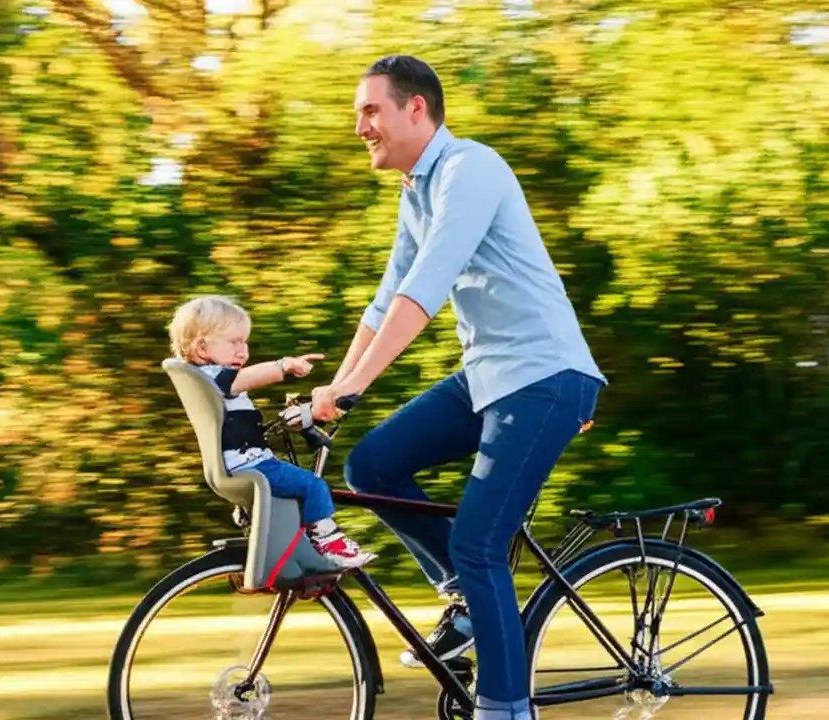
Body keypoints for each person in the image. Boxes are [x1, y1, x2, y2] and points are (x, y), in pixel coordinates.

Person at [309, 55, 606, 720]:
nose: (359, 126)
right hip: (490, 379)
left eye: (370, 111)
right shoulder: (416, 190)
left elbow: (426, 289)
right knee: (374, 463)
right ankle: (467, 601)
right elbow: (386, 302)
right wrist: (332, 388)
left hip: (544, 377)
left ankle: (504, 708)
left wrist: (356, 385)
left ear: (416, 109)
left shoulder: (470, 169)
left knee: (479, 541)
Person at [168, 295, 375, 569]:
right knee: (312, 485)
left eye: (245, 342)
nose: (243, 351)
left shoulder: (210, 379)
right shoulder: (217, 376)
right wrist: (283, 366)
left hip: (243, 462)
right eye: (234, 342)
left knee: (299, 486)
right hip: (251, 465)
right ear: (202, 347)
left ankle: (305, 545)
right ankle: (329, 542)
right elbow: (246, 379)